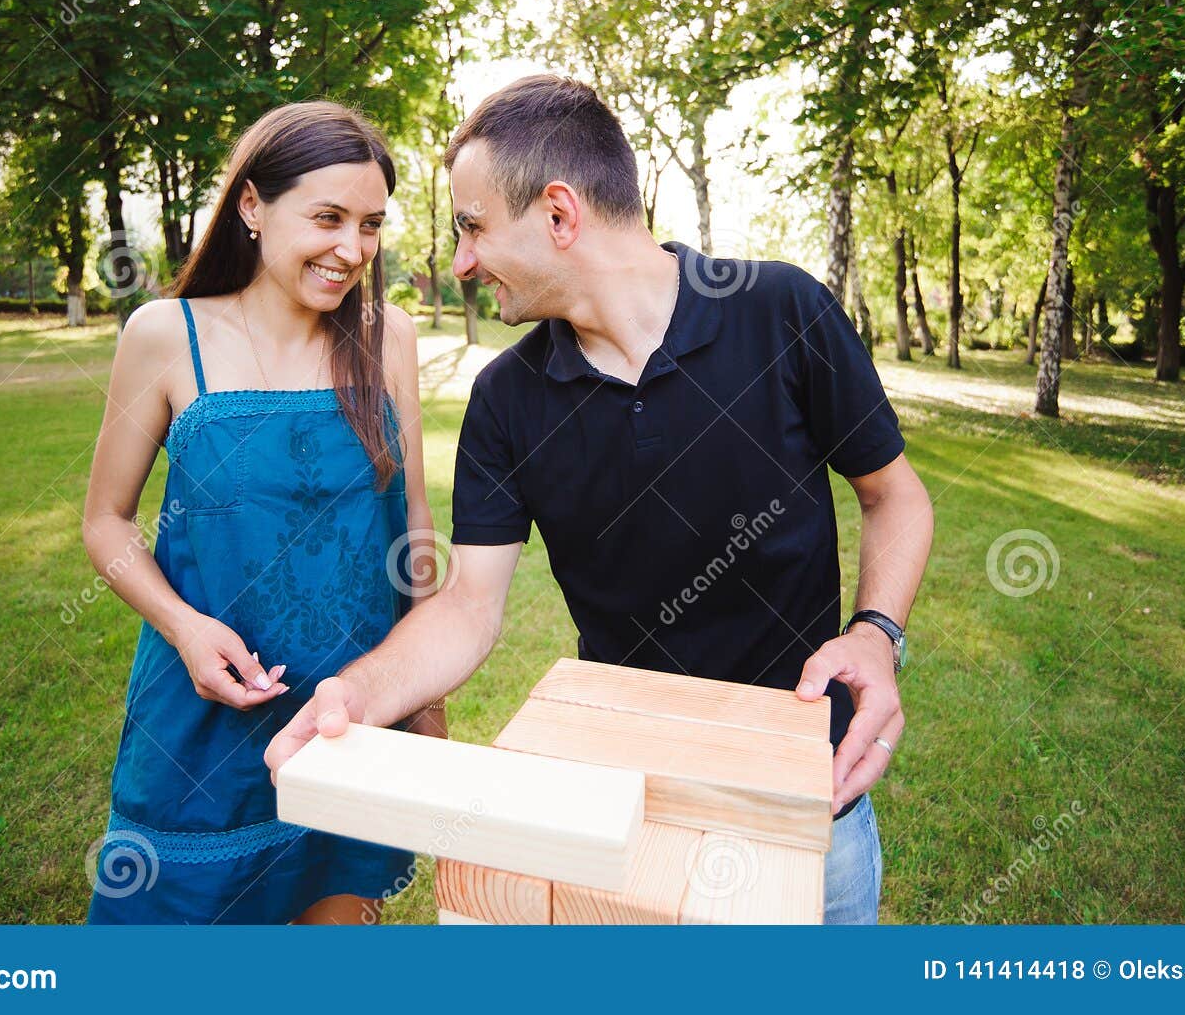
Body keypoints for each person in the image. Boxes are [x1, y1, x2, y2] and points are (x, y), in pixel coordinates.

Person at [265, 75, 934, 925]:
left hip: (809, 800)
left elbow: (896, 497)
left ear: (558, 213)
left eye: (472, 228)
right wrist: (355, 695)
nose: (462, 261)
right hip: (621, 807)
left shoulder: (779, 310)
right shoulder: (508, 398)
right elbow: (470, 605)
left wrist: (876, 637)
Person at [82, 101, 439, 924]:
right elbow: (105, 520)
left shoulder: (390, 339)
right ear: (252, 206)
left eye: (372, 224)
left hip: (350, 715)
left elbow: (414, 523)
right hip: (202, 718)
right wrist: (183, 625)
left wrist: (421, 697)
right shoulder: (164, 333)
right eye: (328, 217)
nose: (352, 249)